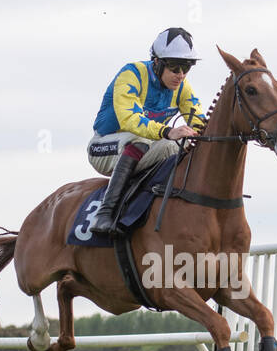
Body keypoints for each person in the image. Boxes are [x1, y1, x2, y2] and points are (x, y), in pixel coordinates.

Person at [87, 28, 206, 237]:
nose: (181, 75)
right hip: (104, 147)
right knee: (141, 140)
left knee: (184, 145)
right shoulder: (131, 74)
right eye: (175, 67)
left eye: (187, 67)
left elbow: (199, 123)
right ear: (157, 62)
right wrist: (168, 131)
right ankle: (104, 213)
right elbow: (130, 120)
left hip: (144, 149)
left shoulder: (182, 86)